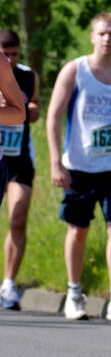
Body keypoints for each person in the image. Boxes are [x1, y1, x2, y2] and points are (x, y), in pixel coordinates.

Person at [46, 13, 111, 321]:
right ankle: (74, 293)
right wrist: (55, 162)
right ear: (92, 36)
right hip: (79, 165)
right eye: (102, 33)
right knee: (78, 229)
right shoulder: (75, 70)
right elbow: (54, 116)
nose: (107, 39)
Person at [0, 30, 40, 310]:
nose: (11, 59)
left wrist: (32, 108)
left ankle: (9, 283)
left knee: (18, 218)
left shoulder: (28, 75)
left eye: (14, 53)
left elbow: (29, 107)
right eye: (6, 53)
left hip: (18, 157)